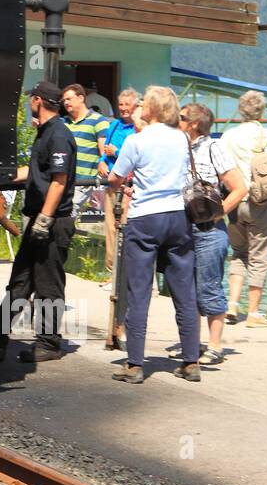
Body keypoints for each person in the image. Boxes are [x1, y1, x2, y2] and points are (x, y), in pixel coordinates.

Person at [0, 80, 77, 363]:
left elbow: (59, 182)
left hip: (52, 221)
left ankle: (49, 344)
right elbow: (35, 172)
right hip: (40, 218)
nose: (28, 104)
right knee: (20, 282)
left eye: (31, 99)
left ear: (38, 100)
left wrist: (44, 220)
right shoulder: (46, 132)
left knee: (48, 284)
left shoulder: (58, 135)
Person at [107, 86, 200, 383]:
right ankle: (190, 361)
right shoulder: (182, 139)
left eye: (144, 102)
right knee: (184, 290)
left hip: (145, 217)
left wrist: (117, 185)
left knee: (139, 290)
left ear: (154, 109)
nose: (139, 105)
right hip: (178, 216)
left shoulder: (137, 140)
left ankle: (134, 364)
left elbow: (116, 177)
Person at [178, 103, 249, 364]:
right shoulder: (177, 146)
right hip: (182, 227)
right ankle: (192, 343)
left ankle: (215, 346)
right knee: (186, 288)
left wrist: (219, 213)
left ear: (195, 123)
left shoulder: (213, 147)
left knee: (208, 286)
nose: (177, 120)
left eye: (182, 117)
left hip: (208, 230)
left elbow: (240, 187)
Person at [219, 90, 267, 328]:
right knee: (259, 254)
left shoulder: (229, 135)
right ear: (261, 111)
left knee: (239, 252)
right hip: (258, 201)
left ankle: (232, 305)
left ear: (240, 109)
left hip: (234, 200)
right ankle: (253, 312)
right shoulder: (265, 135)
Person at [102, 89, 142, 278]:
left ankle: (128, 275)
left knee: (127, 227)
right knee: (110, 228)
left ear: (136, 106)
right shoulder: (114, 125)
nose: (124, 108)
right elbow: (103, 151)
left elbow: (136, 156)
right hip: (112, 182)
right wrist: (101, 162)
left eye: (127, 104)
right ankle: (112, 274)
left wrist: (116, 152)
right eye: (121, 104)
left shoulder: (138, 128)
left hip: (129, 185)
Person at [62, 83, 110, 218]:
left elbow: (104, 151)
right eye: (64, 100)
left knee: (68, 216)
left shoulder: (98, 121)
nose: (65, 103)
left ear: (81, 98)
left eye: (69, 99)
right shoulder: (63, 122)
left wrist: (103, 165)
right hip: (63, 179)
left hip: (83, 181)